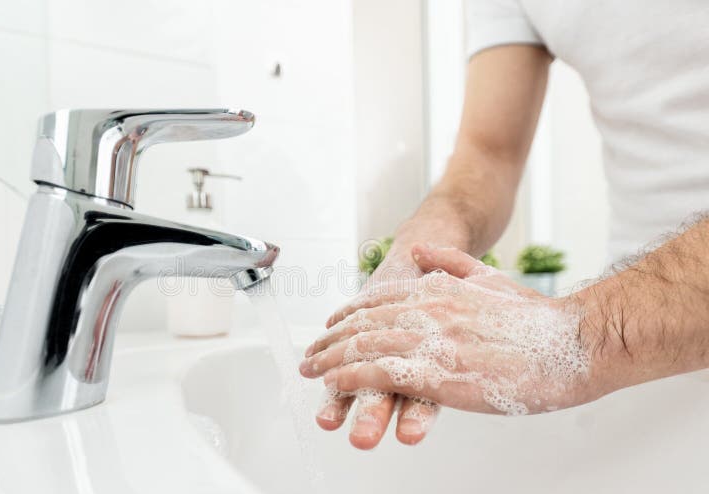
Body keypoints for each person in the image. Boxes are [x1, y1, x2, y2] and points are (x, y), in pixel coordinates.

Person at [300, 0, 709, 450]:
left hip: (620, 333)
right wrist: (414, 258)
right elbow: (487, 155)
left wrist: (585, 337)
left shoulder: (595, 337)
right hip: (638, 368)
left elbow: (591, 337)